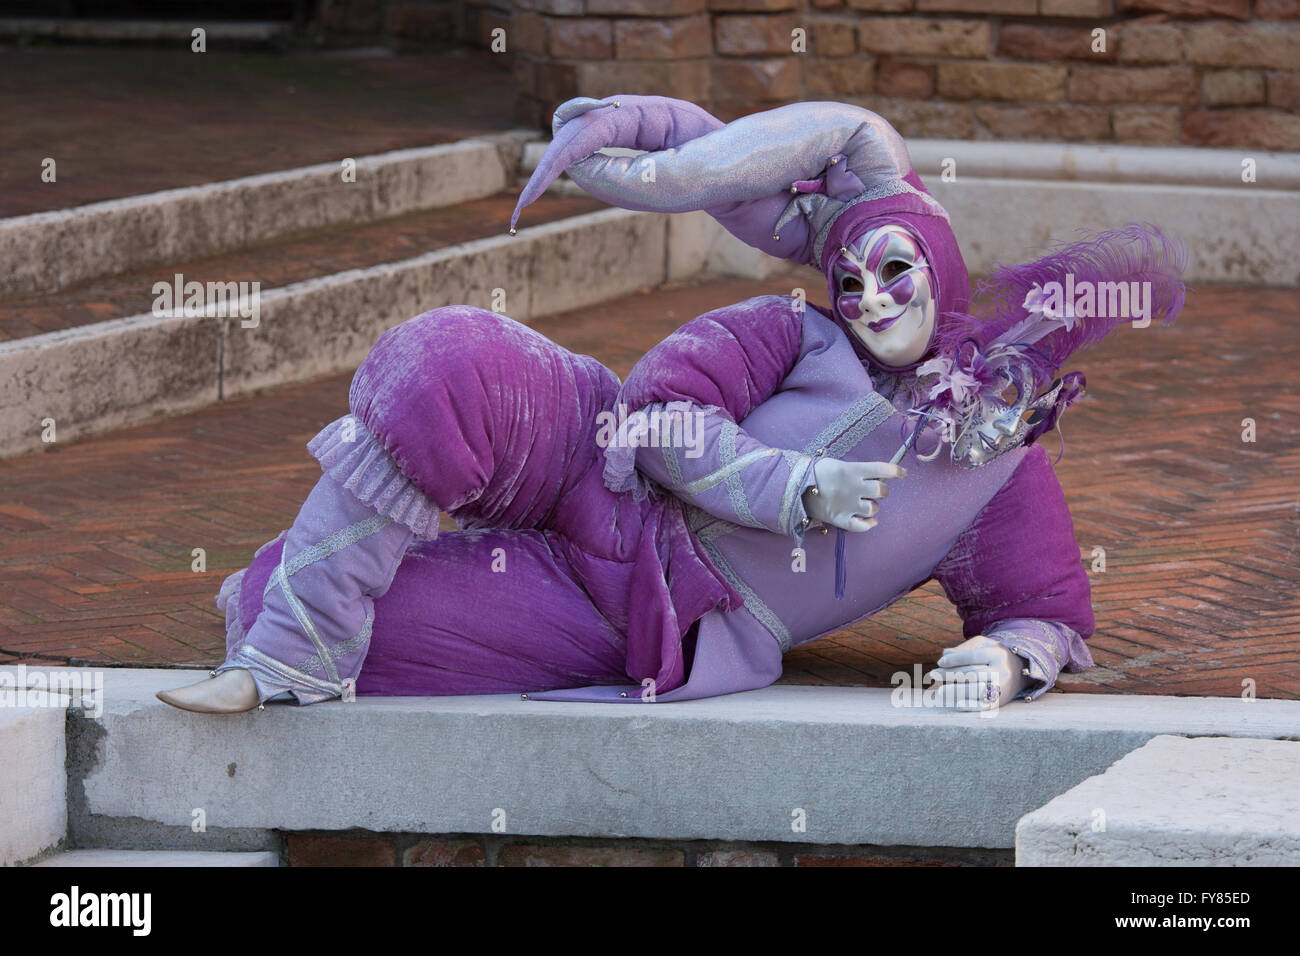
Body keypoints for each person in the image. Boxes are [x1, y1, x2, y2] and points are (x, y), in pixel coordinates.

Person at [157, 95, 1185, 715]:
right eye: (853, 281)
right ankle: (290, 654)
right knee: (443, 360)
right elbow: (650, 418)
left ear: (939, 263)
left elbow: (1042, 608)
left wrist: (1000, 661)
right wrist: (797, 486)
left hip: (641, 607)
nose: (869, 300)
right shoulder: (791, 330)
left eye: (894, 272)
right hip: (588, 456)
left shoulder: (994, 457)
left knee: (279, 604)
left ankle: (282, 629)